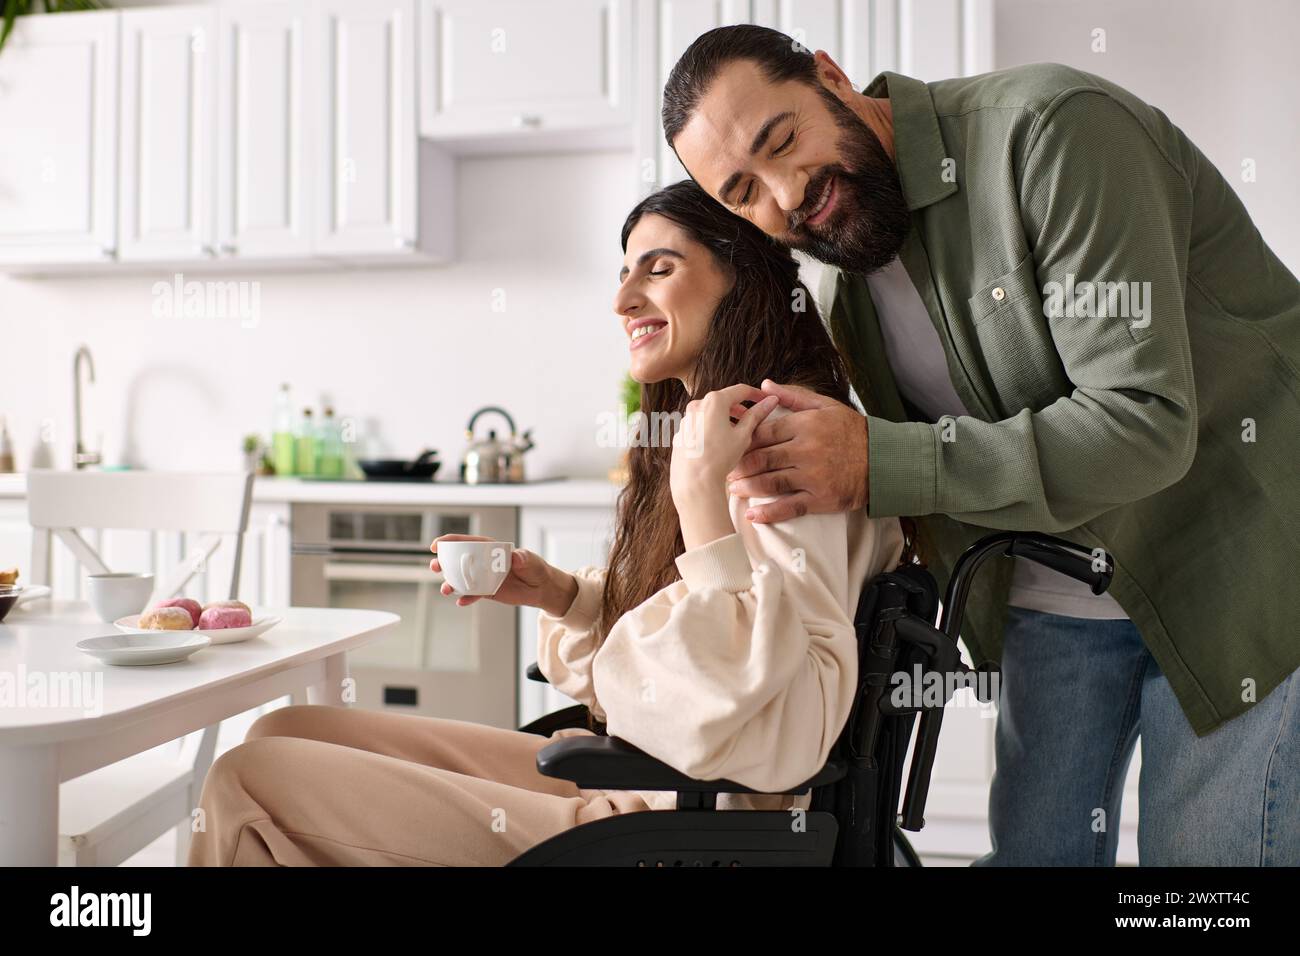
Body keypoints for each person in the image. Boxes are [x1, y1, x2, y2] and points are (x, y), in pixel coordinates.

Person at [660, 24, 1300, 866]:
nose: (787, 193)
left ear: (830, 76)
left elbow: (1143, 423)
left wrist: (875, 462)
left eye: (781, 140)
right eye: (744, 192)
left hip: (1239, 562)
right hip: (1053, 592)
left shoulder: (1053, 133)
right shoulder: (841, 285)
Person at [187, 179, 906, 866]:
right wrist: (562, 595)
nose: (623, 300)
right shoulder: (716, 434)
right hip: (652, 784)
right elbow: (691, 663)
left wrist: (700, 504)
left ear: (743, 279)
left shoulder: (788, 452)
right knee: (287, 727)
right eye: (624, 274)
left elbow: (795, 731)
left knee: (247, 782)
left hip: (686, 830)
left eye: (659, 270)